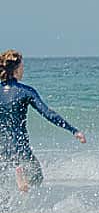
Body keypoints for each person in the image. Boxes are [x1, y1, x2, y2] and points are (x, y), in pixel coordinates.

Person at [0, 50, 87, 192]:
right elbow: (48, 114)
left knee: (3, 191)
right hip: (20, 147)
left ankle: (16, 182)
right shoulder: (26, 91)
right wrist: (73, 130)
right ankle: (19, 174)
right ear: (16, 70)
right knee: (37, 178)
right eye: (22, 66)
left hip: (2, 149)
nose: (23, 70)